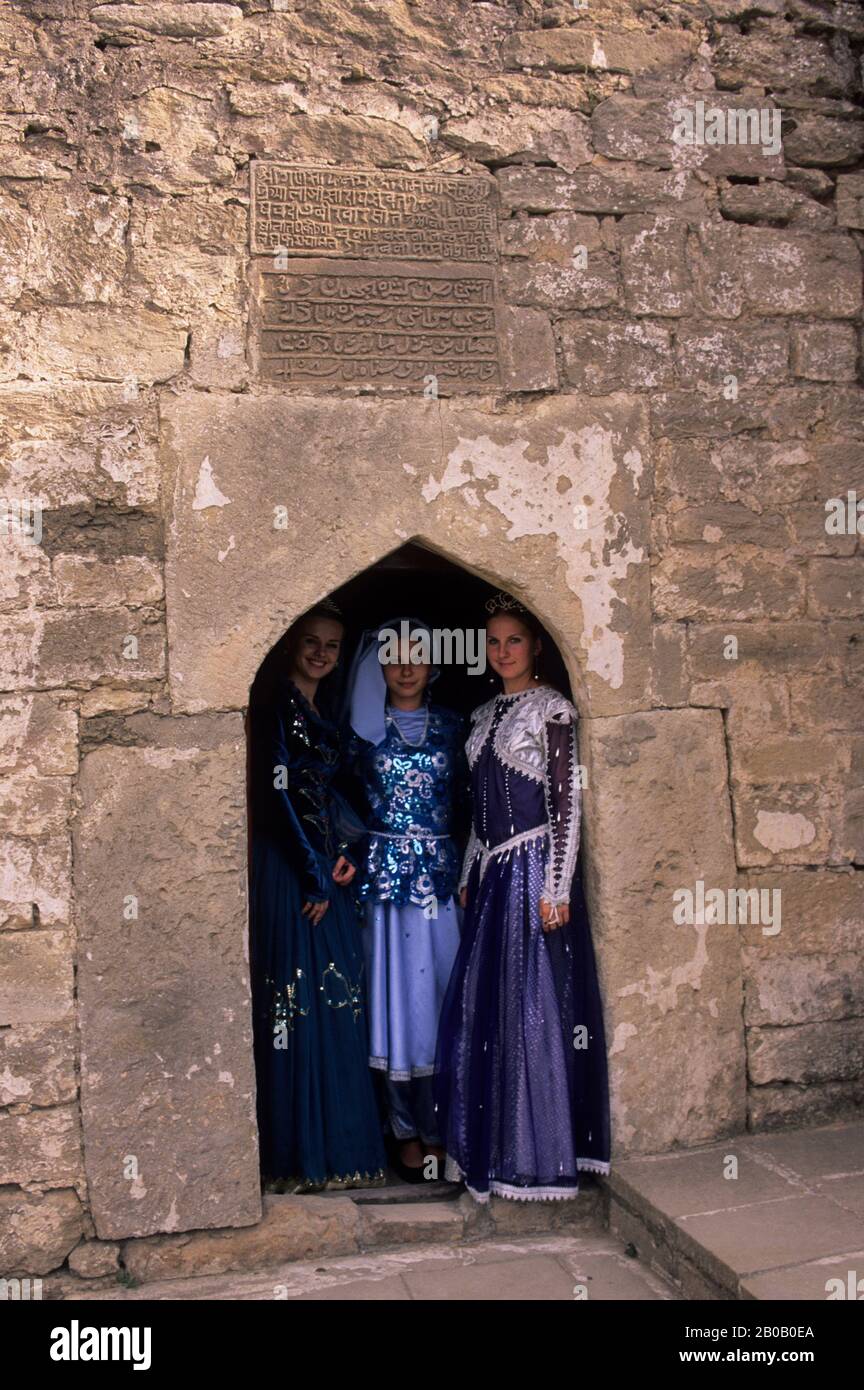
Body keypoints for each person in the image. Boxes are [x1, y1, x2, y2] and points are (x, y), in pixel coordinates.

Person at [434, 591, 611, 1202]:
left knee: (533, 1005)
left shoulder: (551, 709)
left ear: (535, 645)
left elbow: (566, 802)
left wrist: (556, 886)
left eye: (514, 640)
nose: (503, 651)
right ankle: (493, 1149)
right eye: (494, 641)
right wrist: (468, 871)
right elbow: (479, 815)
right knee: (487, 1009)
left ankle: (538, 1154)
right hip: (492, 874)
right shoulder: (483, 715)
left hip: (532, 868)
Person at [248, 600, 386, 1191]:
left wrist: (348, 853)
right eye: (311, 641)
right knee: (295, 1001)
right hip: (290, 870)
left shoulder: (323, 711)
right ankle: (298, 1159)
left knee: (336, 998)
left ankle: (341, 1153)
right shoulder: (276, 706)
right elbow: (275, 795)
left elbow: (338, 794)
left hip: (323, 868)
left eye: (332, 645)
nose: (321, 654)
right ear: (291, 643)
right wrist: (312, 875)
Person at [345, 617, 467, 1182]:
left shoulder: (455, 726)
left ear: (434, 661)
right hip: (384, 885)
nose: (406, 666)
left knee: (440, 996)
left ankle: (445, 1125)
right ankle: (403, 1129)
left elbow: (474, 803)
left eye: (417, 653)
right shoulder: (361, 731)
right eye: (393, 656)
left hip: (441, 882)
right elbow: (329, 795)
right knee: (393, 1002)